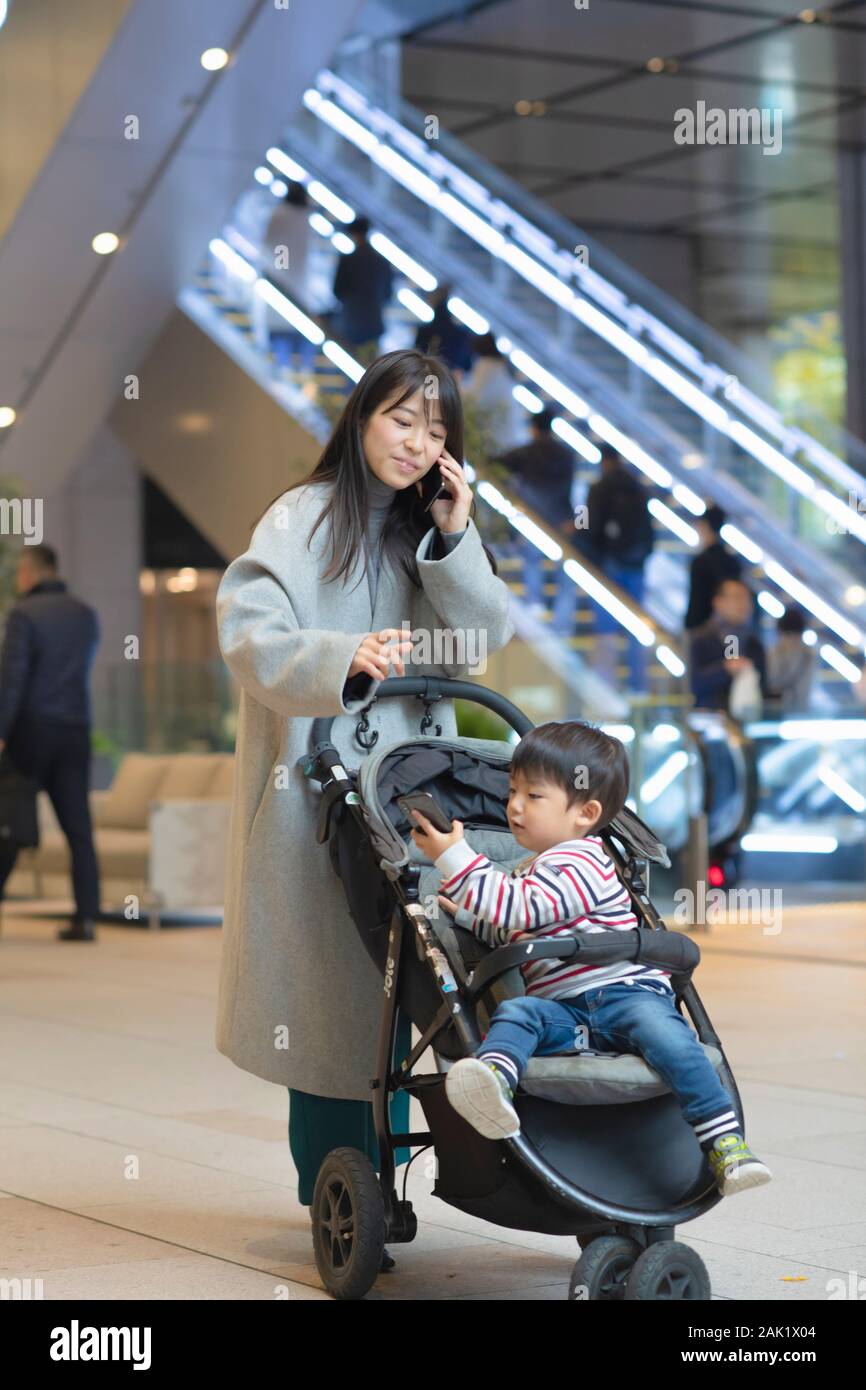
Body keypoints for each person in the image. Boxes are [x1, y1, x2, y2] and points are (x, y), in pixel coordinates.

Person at [215, 348, 515, 1265]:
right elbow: (248, 632)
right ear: (361, 419)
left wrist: (457, 538)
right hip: (319, 797)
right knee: (333, 1008)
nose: (416, 443)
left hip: (411, 800)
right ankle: (341, 1197)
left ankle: (380, 1188)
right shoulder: (301, 517)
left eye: (435, 431)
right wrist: (341, 657)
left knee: (409, 991)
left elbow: (482, 643)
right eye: (401, 420)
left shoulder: (431, 531)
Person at [409, 720, 772, 1197]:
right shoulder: (533, 870)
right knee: (520, 1013)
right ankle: (494, 1080)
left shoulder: (581, 860)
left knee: (672, 1040)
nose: (513, 806)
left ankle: (724, 1142)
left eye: (533, 796)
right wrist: (475, 921)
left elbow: (523, 909)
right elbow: (518, 927)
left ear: (586, 812)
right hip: (568, 1015)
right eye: (512, 790)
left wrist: (455, 857)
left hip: (624, 996)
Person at [0, 544, 101, 941]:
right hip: (75, 729)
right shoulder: (84, 614)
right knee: (79, 827)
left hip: (32, 731)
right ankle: (86, 917)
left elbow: (13, 680)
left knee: (9, 818)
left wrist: (2, 732)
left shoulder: (23, 615)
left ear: (30, 572)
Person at [496, 407, 578, 638]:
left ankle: (535, 603)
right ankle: (563, 623)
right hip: (562, 519)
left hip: (534, 518)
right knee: (566, 570)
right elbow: (570, 488)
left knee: (532, 559)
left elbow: (497, 463)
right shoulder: (567, 454)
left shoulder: (527, 452)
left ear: (533, 429)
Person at [582, 445, 654, 689]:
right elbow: (648, 528)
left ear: (603, 462)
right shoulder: (638, 488)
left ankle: (606, 684)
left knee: (605, 629)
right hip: (636, 564)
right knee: (637, 626)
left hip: (608, 566)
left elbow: (588, 526)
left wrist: (588, 555)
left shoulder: (599, 488)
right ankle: (639, 685)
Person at [258, 182, 326, 376]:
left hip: (282, 283)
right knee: (296, 330)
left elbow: (274, 246)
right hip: (299, 284)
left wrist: (281, 267)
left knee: (281, 333)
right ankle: (303, 372)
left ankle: (283, 371)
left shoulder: (280, 215)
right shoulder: (304, 218)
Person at [689, 577, 767, 715]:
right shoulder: (701, 638)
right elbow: (693, 684)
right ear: (718, 602)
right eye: (737, 597)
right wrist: (725, 669)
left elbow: (764, 684)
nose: (744, 604)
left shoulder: (754, 643)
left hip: (746, 718)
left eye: (747, 598)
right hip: (710, 720)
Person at [331, 216, 393, 359]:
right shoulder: (382, 262)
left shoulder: (347, 261)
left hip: (351, 324)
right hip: (374, 325)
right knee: (370, 366)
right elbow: (387, 295)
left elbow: (338, 291)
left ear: (354, 234)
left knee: (349, 361)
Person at [460, 333, 523, 453]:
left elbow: (475, 397)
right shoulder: (502, 364)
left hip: (492, 427)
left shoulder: (486, 365)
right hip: (504, 422)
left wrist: (457, 386)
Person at [685, 504, 742, 632]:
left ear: (706, 526)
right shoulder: (732, 561)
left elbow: (696, 601)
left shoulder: (700, 562)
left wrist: (690, 627)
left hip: (701, 628)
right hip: (730, 627)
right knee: (732, 652)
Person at [414, 285, 476, 381]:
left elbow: (418, 357)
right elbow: (467, 365)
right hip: (451, 378)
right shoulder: (461, 334)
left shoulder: (427, 331)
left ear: (433, 300)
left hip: (430, 376)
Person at [765, 607, 815, 714]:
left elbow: (806, 688)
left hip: (799, 710)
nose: (791, 640)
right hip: (775, 709)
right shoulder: (773, 652)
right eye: (788, 635)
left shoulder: (809, 655)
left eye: (794, 636)